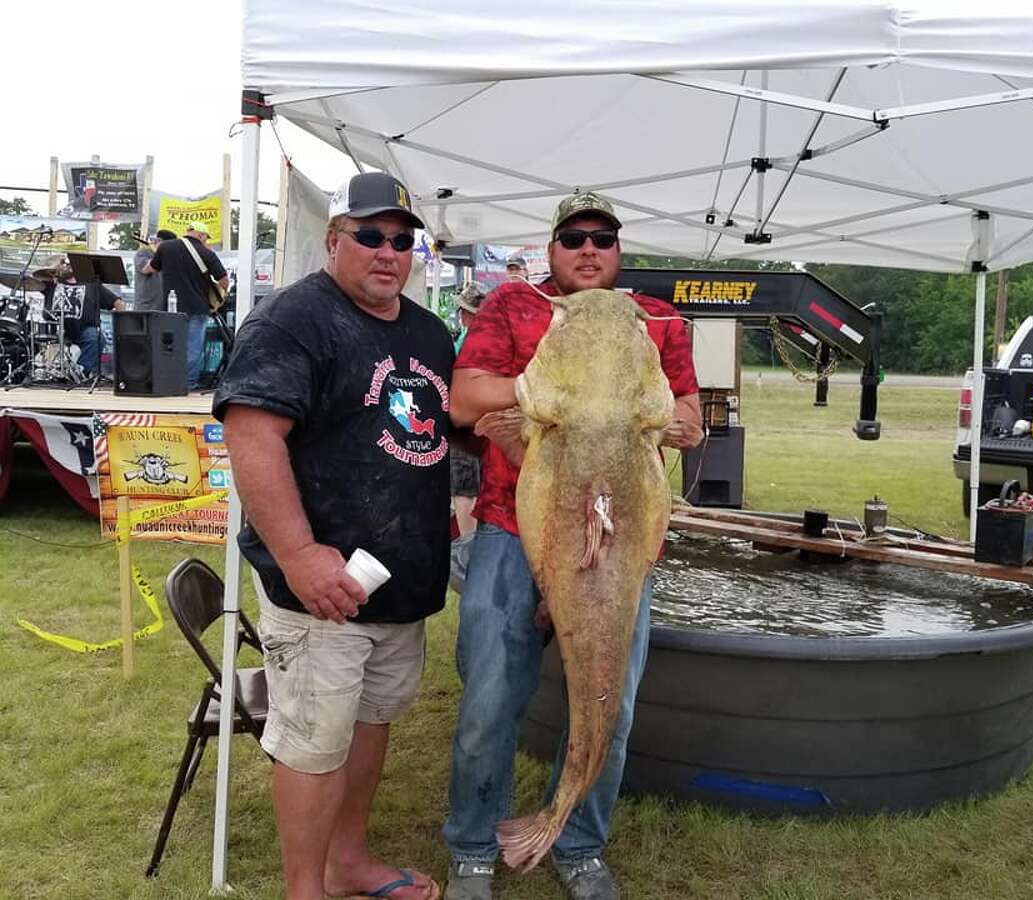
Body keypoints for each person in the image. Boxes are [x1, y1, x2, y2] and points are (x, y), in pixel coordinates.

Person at [443, 191, 702, 900]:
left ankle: (578, 842)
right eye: (574, 237)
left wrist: (677, 423)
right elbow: (465, 399)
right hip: (510, 526)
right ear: (551, 248)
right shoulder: (511, 306)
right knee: (490, 696)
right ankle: (473, 846)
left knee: (610, 700)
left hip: (621, 538)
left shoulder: (657, 318)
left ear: (619, 249)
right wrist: (546, 396)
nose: (589, 249)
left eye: (603, 238)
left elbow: (688, 411)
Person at [213, 171, 450, 900]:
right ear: (333, 239)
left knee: (370, 725)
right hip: (320, 588)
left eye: (402, 241)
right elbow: (252, 436)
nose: (387, 252)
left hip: (397, 585)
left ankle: (348, 862)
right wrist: (299, 555)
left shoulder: (428, 331)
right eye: (370, 235)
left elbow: (442, 431)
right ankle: (305, 891)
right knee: (314, 743)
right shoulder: (293, 321)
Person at [143, 220, 228, 390]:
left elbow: (148, 269)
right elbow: (224, 280)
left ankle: (168, 381)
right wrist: (219, 294)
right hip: (198, 307)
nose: (206, 241)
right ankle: (188, 383)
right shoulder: (207, 253)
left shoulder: (166, 248)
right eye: (206, 238)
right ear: (200, 235)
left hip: (171, 308)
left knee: (170, 346)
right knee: (193, 346)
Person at [43, 255, 124, 377]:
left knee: (96, 338)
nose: (66, 265)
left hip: (83, 329)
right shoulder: (50, 284)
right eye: (63, 263)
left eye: (68, 263)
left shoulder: (91, 284)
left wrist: (121, 330)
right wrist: (54, 270)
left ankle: (79, 372)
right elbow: (37, 277)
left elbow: (118, 303)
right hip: (55, 329)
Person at [450, 283, 487, 540]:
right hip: (477, 425)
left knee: (464, 488)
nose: (460, 315)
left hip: (465, 424)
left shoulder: (472, 342)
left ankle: (466, 545)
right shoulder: (486, 340)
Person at [133, 229, 175, 310]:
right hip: (146, 306)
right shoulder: (143, 253)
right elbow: (146, 269)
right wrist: (158, 253)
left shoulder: (170, 257)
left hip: (163, 306)